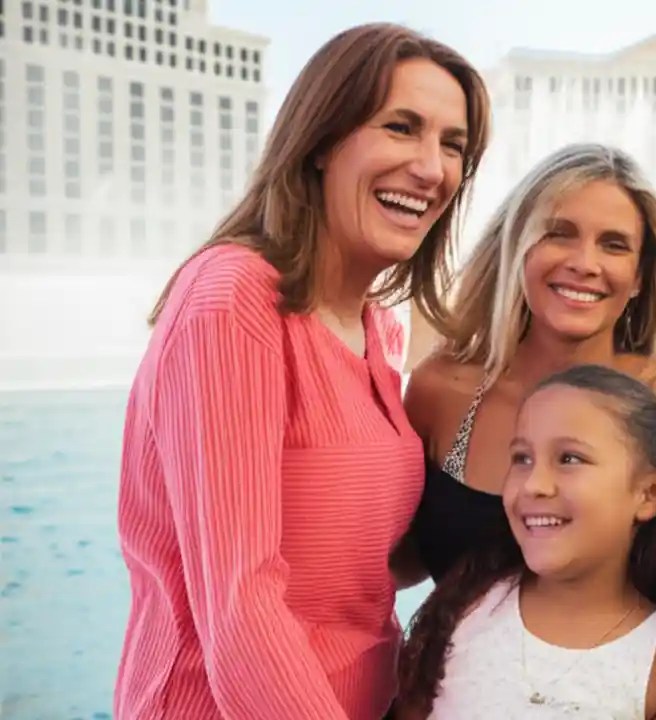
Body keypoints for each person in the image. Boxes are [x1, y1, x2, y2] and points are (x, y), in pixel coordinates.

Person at [113, 24, 490, 720]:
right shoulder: (233, 301)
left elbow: (373, 562)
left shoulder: (378, 328)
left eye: (453, 145)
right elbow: (241, 605)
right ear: (320, 141)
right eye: (401, 128)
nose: (432, 168)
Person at [393, 143, 656, 588]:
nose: (585, 264)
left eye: (614, 245)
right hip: (457, 656)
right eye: (559, 234)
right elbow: (394, 560)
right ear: (518, 248)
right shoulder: (441, 389)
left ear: (641, 276)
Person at [395, 365, 656, 719]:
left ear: (651, 493)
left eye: (570, 459)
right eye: (522, 458)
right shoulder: (464, 608)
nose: (533, 484)